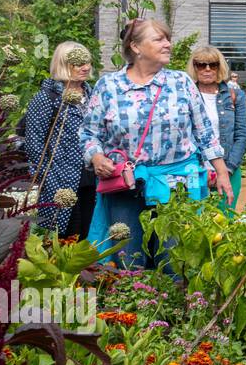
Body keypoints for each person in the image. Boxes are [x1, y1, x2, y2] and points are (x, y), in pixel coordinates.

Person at [81, 18, 232, 269]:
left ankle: (178, 305)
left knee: (175, 260)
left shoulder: (180, 82)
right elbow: (88, 133)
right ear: (136, 47)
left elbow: (204, 131)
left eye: (167, 39)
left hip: (175, 188)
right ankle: (129, 306)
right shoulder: (109, 87)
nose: (168, 44)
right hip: (125, 187)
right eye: (159, 39)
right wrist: (97, 158)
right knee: (128, 260)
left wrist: (222, 170)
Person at [23, 42, 95, 237]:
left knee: (90, 237)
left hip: (94, 177)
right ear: (63, 64)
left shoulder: (93, 94)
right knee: (61, 237)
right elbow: (34, 142)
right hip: (60, 179)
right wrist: (47, 178)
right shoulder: (47, 97)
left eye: (86, 61)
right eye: (77, 63)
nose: (85, 67)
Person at [188, 46, 246, 211]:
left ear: (219, 67)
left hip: (228, 167)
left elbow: (242, 135)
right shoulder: (185, 95)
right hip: (195, 172)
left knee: (223, 224)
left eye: (212, 64)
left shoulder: (235, 95)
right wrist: (202, 169)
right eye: (201, 64)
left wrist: (226, 170)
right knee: (193, 226)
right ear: (194, 67)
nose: (207, 69)